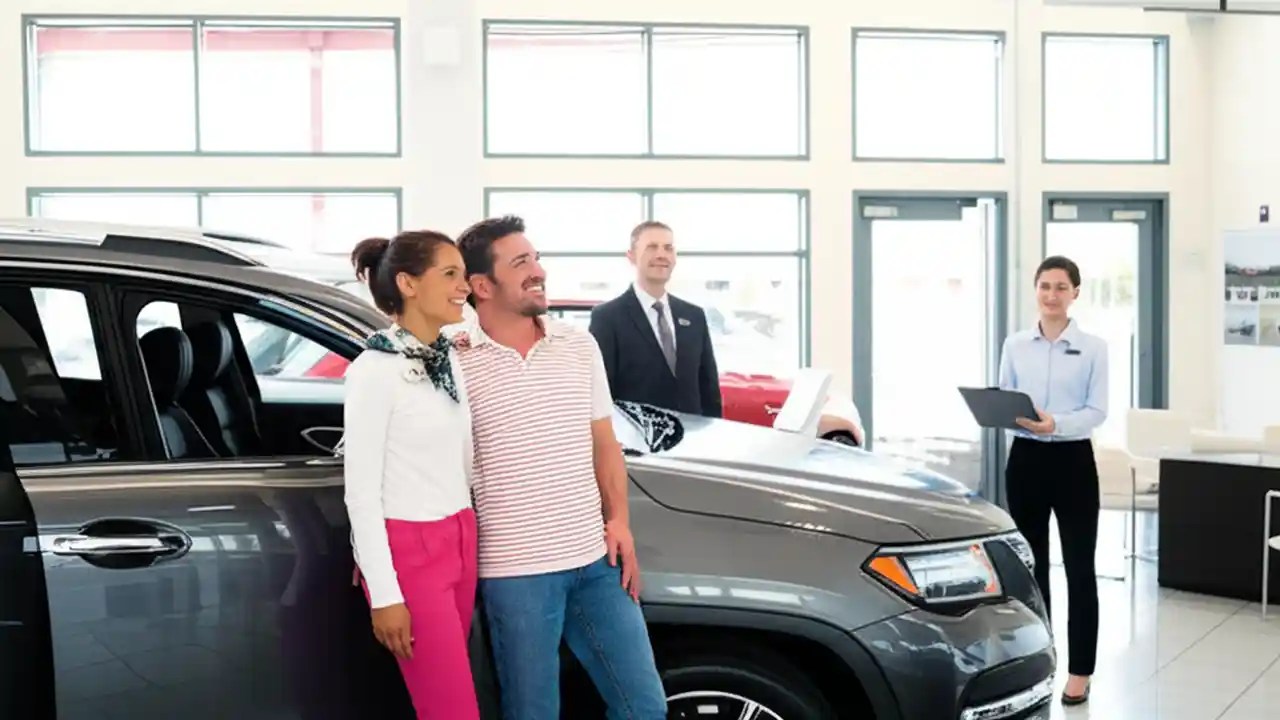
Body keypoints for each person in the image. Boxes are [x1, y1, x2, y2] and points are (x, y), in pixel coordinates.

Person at [451, 215, 667, 720]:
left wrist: (619, 521)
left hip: (596, 563)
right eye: (521, 262)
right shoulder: (454, 359)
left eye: (537, 258)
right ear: (482, 286)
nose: (539, 271)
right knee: (533, 713)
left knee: (644, 707)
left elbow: (604, 442)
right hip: (515, 573)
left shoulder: (577, 344)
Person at [343, 230, 479, 720]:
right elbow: (360, 493)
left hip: (461, 537)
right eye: (450, 274)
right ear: (407, 283)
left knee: (444, 702)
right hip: (412, 555)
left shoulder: (447, 360)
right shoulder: (373, 371)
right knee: (453, 711)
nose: (464, 286)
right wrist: (385, 594)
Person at [997, 255, 1108, 707]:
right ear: (1036, 290)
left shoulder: (1094, 347)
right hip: (1025, 460)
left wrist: (1054, 424)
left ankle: (1080, 672)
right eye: (1044, 286)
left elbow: (1096, 412)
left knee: (1080, 569)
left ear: (1075, 293)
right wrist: (1012, 418)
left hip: (1073, 462)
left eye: (1061, 287)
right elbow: (1005, 400)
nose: (1051, 295)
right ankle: (1037, 661)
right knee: (1029, 568)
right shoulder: (1016, 344)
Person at [589, 220, 723, 417]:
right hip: (637, 442)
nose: (662, 255)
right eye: (652, 247)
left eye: (668, 248)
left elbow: (709, 388)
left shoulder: (694, 316)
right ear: (631, 256)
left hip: (693, 441)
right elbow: (600, 393)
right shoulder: (608, 317)